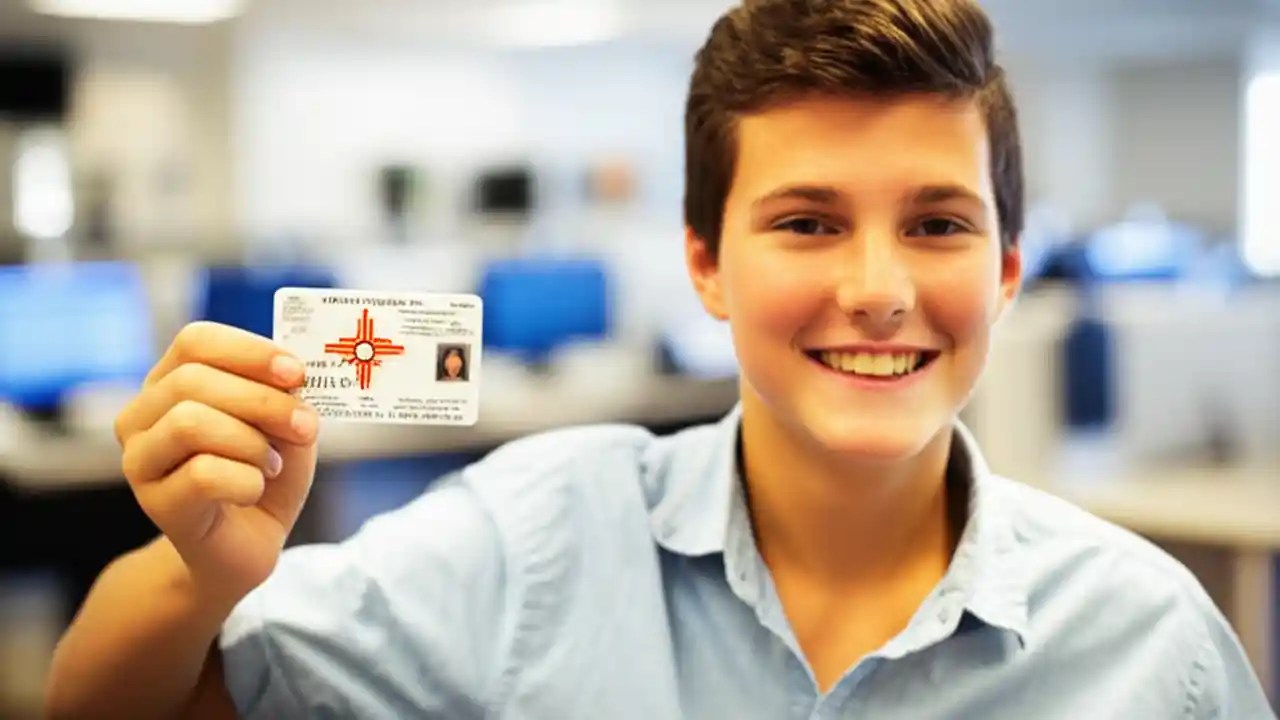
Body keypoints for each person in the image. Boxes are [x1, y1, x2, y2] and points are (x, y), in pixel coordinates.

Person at [46, 1, 1273, 718]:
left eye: (938, 224)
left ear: (1005, 271)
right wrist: (193, 575)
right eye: (805, 222)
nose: (878, 290)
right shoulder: (525, 544)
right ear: (704, 264)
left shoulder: (1149, 647)